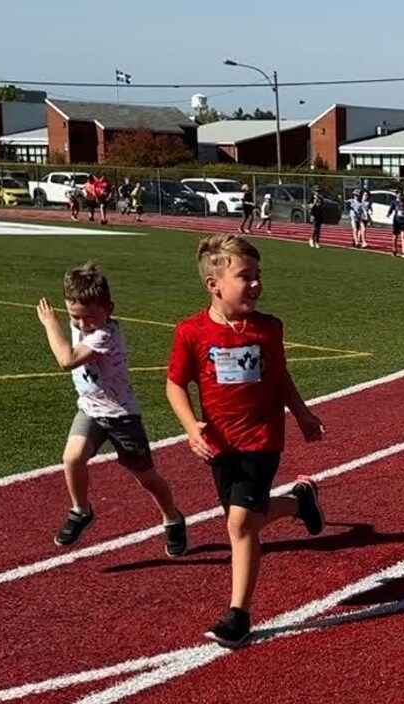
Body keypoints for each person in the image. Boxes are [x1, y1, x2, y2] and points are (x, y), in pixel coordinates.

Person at [165, 233, 327, 648]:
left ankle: (238, 615)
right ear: (214, 284)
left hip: (262, 439)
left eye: (258, 275)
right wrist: (191, 427)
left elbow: (280, 377)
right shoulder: (191, 332)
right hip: (219, 445)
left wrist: (302, 413)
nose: (255, 284)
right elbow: (175, 384)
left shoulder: (268, 328)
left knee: (239, 524)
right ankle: (299, 502)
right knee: (247, 521)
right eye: (244, 276)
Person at [35, 263, 187, 554]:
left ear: (109, 310)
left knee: (146, 477)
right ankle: (81, 510)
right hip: (90, 410)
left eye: (90, 317)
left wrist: (50, 323)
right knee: (72, 457)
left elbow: (67, 360)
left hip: (121, 416)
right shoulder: (82, 321)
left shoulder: (105, 334)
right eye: (75, 317)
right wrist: (70, 319)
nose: (82, 324)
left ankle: (172, 517)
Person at [388, 191, 404, 258]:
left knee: (403, 236)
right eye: (399, 195)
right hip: (396, 221)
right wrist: (388, 214)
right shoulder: (394, 202)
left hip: (403, 221)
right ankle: (394, 250)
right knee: (395, 236)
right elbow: (391, 209)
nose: (400, 196)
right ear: (396, 195)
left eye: (401, 195)